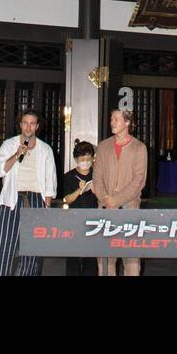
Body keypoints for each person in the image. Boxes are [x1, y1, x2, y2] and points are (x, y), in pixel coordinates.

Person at [0, 109, 57, 276]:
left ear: (37, 126)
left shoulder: (45, 149)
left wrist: (47, 204)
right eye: (25, 123)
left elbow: (51, 179)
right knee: (3, 245)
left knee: (32, 248)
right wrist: (17, 154)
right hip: (12, 198)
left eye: (32, 123)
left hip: (36, 199)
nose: (28, 127)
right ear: (20, 124)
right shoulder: (9, 144)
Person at [93, 108, 147, 276]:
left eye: (116, 119)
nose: (112, 122)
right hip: (105, 210)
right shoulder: (103, 146)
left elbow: (139, 181)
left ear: (127, 122)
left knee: (131, 261)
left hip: (129, 210)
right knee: (105, 260)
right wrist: (106, 200)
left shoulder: (139, 147)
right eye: (111, 119)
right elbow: (97, 177)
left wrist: (117, 200)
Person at [60, 140, 99, 276]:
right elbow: (65, 199)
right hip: (74, 221)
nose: (86, 162)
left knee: (91, 257)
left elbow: (104, 198)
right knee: (73, 257)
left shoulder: (97, 175)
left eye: (89, 159)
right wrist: (79, 190)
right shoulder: (69, 177)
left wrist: (95, 190)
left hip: (93, 220)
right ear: (76, 159)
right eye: (83, 159)